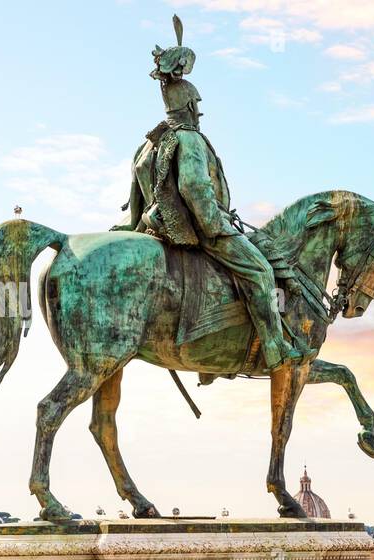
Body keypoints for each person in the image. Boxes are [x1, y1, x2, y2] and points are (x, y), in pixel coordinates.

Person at [114, 16, 302, 371]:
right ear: (187, 106)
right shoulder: (190, 140)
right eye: (197, 106)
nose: (199, 112)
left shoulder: (150, 142)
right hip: (199, 229)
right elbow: (194, 188)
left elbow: (136, 190)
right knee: (261, 272)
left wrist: (132, 223)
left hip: (152, 223)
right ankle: (277, 349)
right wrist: (218, 225)